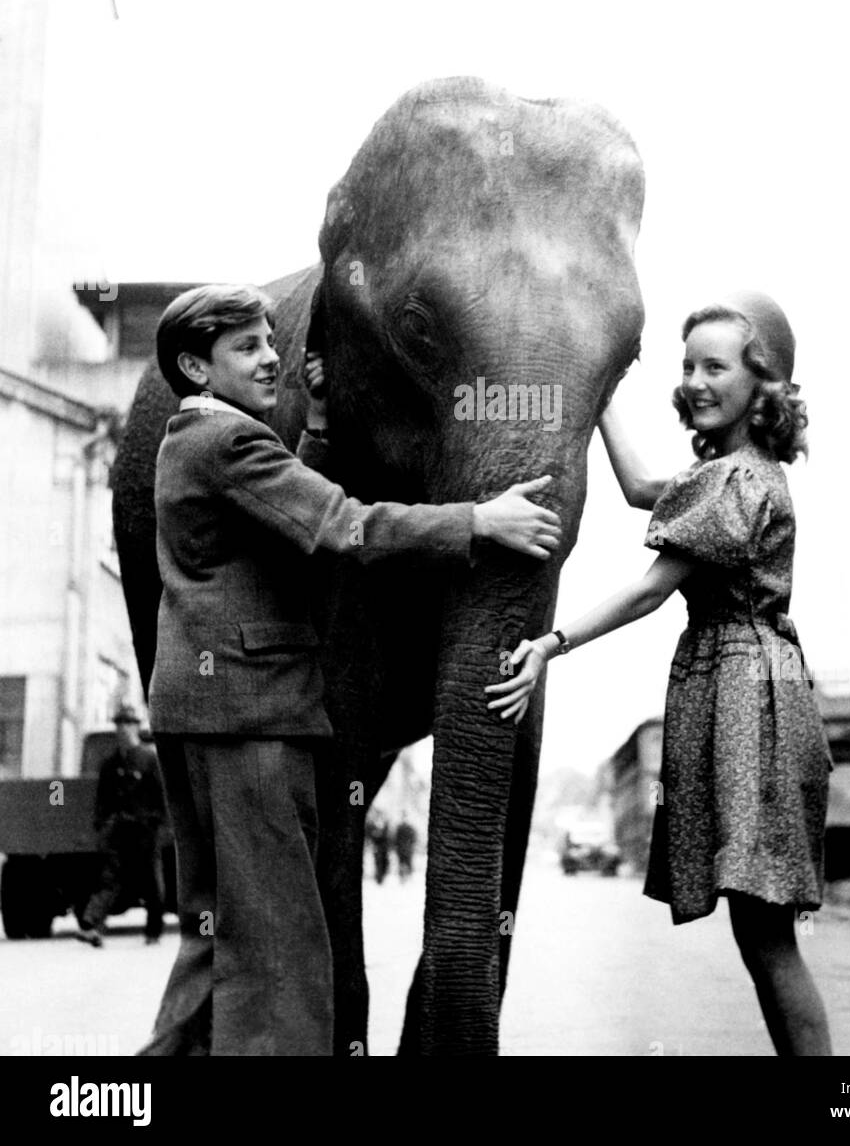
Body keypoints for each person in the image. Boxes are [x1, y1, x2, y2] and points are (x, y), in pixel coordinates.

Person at [137, 283, 561, 1057]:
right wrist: (479, 521)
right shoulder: (231, 446)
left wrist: (322, 425)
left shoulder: (192, 440)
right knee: (280, 949)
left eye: (271, 340)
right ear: (197, 368)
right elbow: (344, 525)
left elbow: (278, 509)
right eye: (247, 348)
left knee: (217, 932)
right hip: (253, 716)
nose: (273, 360)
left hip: (199, 710)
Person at [490, 292, 833, 1057]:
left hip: (747, 691)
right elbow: (645, 488)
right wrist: (605, 393)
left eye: (716, 366)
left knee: (766, 932)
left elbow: (652, 586)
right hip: (737, 683)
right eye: (688, 366)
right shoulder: (726, 474)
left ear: (762, 383)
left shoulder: (739, 482)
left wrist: (552, 641)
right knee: (761, 931)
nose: (696, 380)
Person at [75, 703, 167, 948]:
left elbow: (162, 795)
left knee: (151, 882)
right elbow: (103, 799)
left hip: (145, 830)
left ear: (137, 727)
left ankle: (153, 931)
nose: (123, 729)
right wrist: (101, 824)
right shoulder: (110, 764)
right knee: (110, 878)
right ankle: (90, 924)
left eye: (128, 724)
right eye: (119, 724)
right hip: (120, 830)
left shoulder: (149, 760)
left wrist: (160, 823)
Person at [393, 812, 418, 881]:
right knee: (401, 863)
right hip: (401, 849)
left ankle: (409, 876)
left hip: (407, 849)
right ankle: (402, 877)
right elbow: (395, 839)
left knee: (408, 863)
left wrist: (411, 846)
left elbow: (414, 838)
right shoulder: (399, 828)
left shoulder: (410, 828)